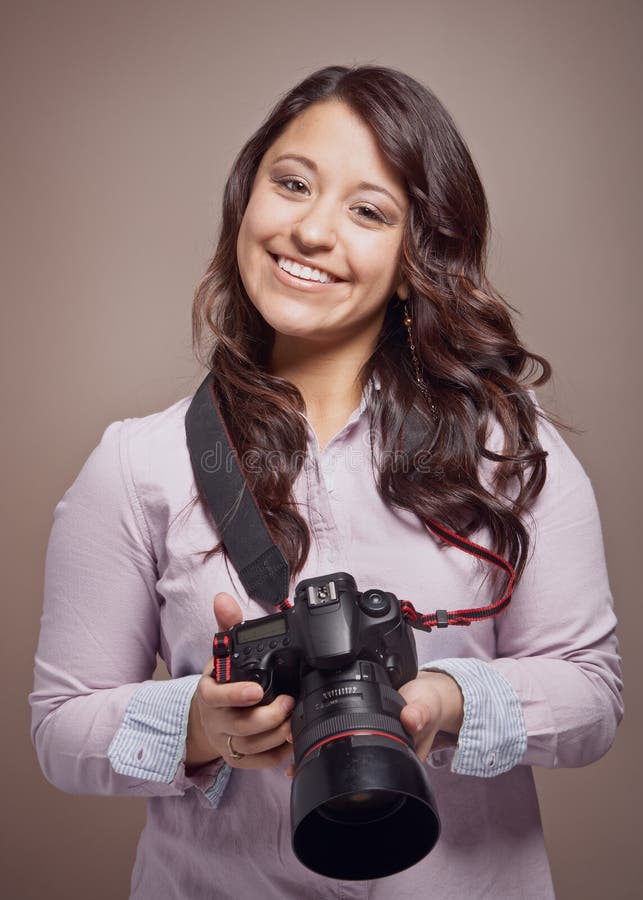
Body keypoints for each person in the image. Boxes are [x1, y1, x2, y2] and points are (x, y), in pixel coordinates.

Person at [30, 65, 622, 899]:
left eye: (368, 210)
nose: (310, 231)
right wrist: (198, 725)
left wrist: (442, 701)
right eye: (292, 183)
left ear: (418, 258)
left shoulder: (509, 449)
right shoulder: (137, 465)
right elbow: (60, 728)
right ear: (246, 199)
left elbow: (591, 695)